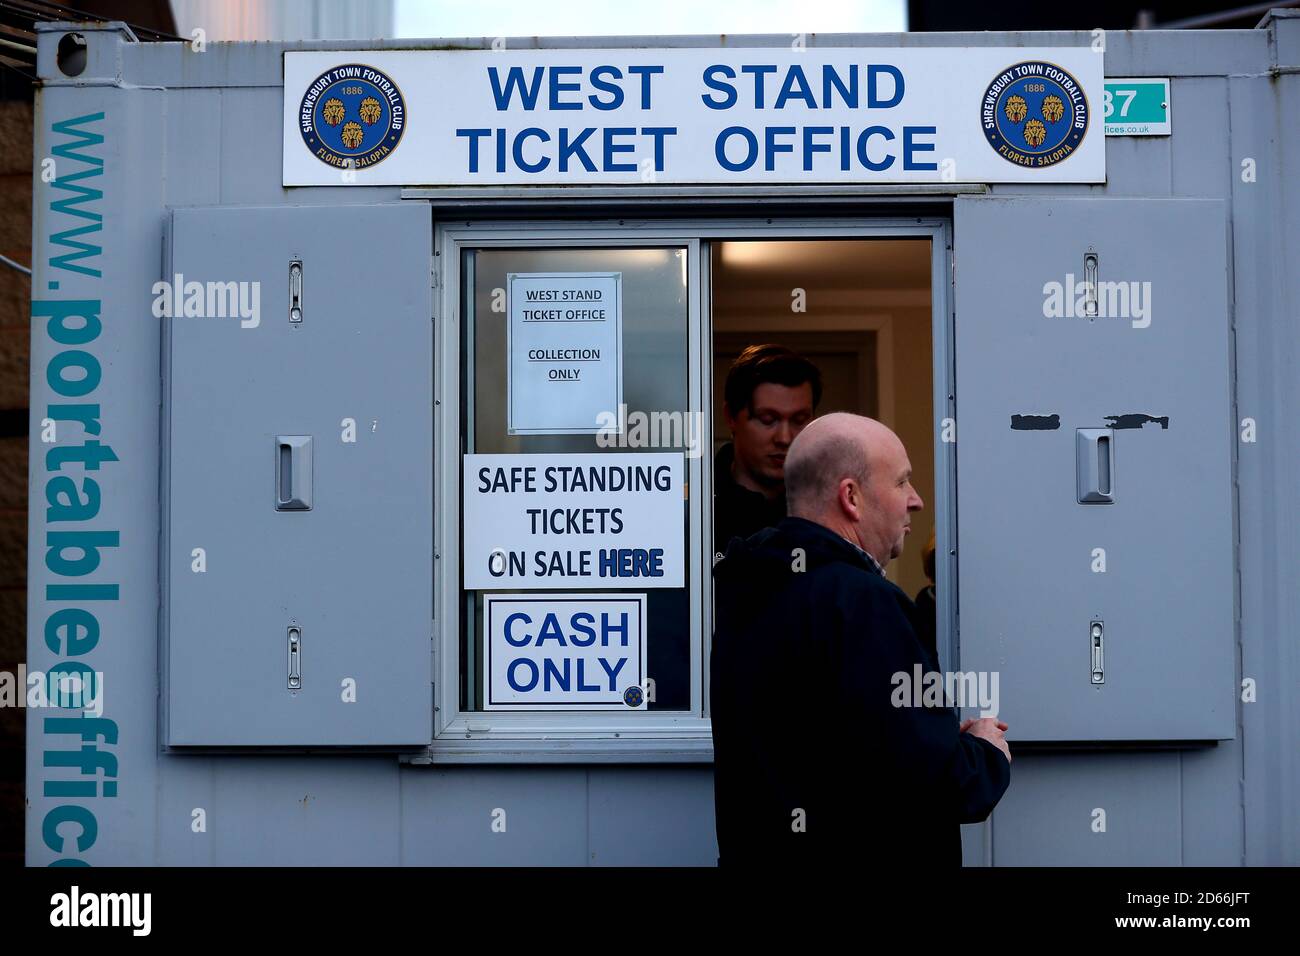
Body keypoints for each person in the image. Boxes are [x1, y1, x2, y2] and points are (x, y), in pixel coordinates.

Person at [710, 412, 1011, 866]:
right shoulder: (863, 604)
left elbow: (842, 748)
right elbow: (938, 783)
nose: (917, 501)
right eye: (902, 482)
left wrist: (936, 737)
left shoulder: (745, 591)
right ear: (851, 497)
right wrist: (985, 751)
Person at [714, 344, 822, 553]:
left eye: (799, 420)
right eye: (767, 420)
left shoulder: (825, 508)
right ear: (731, 417)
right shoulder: (693, 508)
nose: (784, 438)